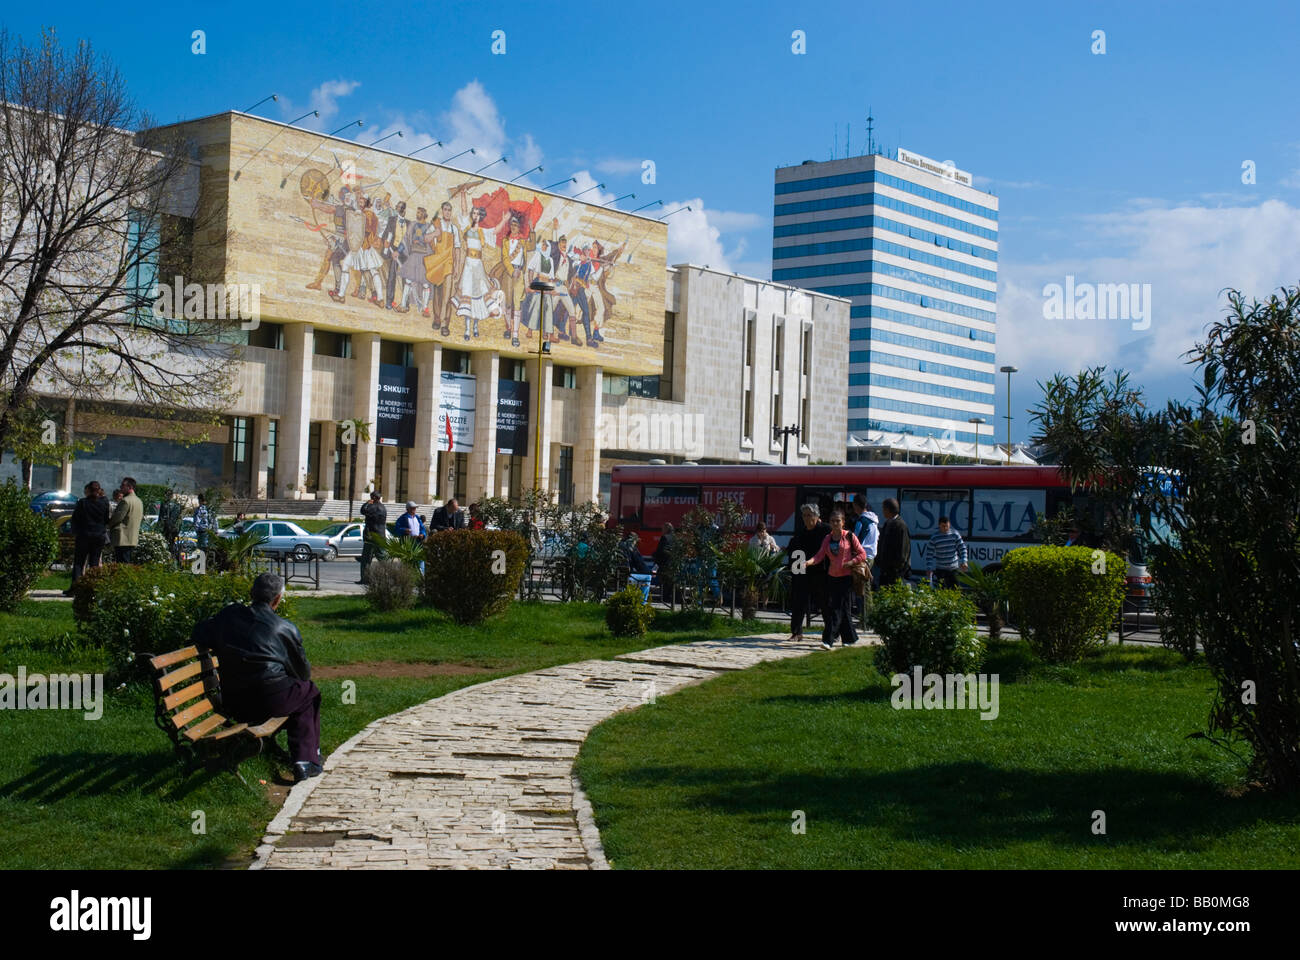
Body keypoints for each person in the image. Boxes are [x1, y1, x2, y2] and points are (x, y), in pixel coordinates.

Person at [191, 573, 322, 782]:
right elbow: (303, 673)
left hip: (235, 702)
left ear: (251, 593)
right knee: (308, 692)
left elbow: (199, 632)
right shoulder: (285, 628)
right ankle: (305, 760)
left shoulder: (229, 616)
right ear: (277, 599)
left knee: (301, 695)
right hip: (271, 701)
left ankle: (305, 757)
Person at [806, 509, 868, 649]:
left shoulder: (850, 537)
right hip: (832, 577)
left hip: (846, 578)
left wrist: (851, 562)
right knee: (843, 609)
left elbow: (862, 554)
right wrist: (808, 562)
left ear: (843, 522)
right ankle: (850, 638)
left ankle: (828, 640)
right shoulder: (828, 538)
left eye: (838, 521)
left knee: (836, 609)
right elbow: (819, 556)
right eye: (832, 521)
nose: (835, 523)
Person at [785, 503, 830, 642]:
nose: (806, 518)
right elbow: (794, 551)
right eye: (804, 515)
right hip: (802, 572)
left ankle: (831, 631)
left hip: (821, 572)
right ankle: (796, 632)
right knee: (799, 602)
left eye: (809, 515)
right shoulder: (801, 532)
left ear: (817, 517)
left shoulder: (825, 530)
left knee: (824, 604)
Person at [65, 481, 110, 594]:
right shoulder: (104, 503)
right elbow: (106, 519)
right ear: (99, 490)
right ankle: (92, 587)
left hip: (84, 535)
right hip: (99, 535)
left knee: (79, 562)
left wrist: (76, 531)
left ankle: (76, 587)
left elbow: (75, 518)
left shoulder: (82, 502)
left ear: (88, 490)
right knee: (94, 562)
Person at [848, 494, 879, 623]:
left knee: (862, 589)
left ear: (856, 506)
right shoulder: (874, 521)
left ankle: (866, 619)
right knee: (865, 587)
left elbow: (856, 540)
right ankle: (868, 618)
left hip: (862, 557)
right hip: (871, 556)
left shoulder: (861, 521)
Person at [876, 497, 912, 588]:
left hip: (894, 573)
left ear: (888, 510)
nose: (882, 511)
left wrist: (896, 569)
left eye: (883, 509)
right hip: (885, 570)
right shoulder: (887, 523)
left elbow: (903, 551)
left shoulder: (900, 526)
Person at [925, 515, 969, 589]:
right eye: (943, 526)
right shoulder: (934, 537)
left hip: (953, 568)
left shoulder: (955, 534)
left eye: (947, 526)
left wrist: (964, 560)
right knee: (942, 591)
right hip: (941, 569)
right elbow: (929, 554)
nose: (945, 528)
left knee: (956, 590)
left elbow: (962, 548)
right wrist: (929, 568)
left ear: (949, 525)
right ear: (939, 525)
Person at [107, 477, 143, 563]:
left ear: (130, 487)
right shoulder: (139, 501)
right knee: (127, 562)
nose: (120, 487)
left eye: (123, 485)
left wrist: (108, 524)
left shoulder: (126, 501)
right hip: (132, 537)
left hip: (122, 537)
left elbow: (117, 518)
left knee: (121, 564)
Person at [358, 491, 387, 584]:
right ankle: (389, 575)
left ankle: (365, 579)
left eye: (371, 497)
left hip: (371, 536)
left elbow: (362, 510)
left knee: (366, 558)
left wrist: (367, 503)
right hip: (381, 535)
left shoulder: (372, 506)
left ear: (374, 498)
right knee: (382, 557)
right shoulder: (383, 508)